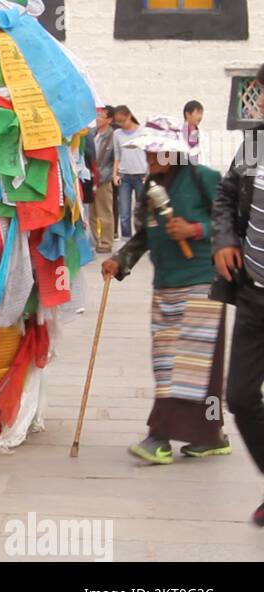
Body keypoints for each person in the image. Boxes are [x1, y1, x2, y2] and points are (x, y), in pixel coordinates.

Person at [102, 117, 226, 466]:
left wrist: (195, 229)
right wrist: (120, 259)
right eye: (149, 154)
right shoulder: (150, 189)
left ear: (175, 152)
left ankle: (160, 436)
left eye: (157, 154)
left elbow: (232, 222)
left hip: (203, 281)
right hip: (166, 285)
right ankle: (211, 434)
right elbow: (143, 236)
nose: (151, 160)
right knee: (168, 361)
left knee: (191, 364)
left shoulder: (204, 180)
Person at [212, 63, 264, 528]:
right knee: (241, 396)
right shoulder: (254, 145)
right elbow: (226, 196)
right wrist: (225, 239)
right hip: (254, 295)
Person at [113, 105, 147, 240]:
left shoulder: (143, 132)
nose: (121, 124)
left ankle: (142, 239)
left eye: (122, 121)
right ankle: (126, 240)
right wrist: (115, 174)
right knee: (124, 212)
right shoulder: (117, 134)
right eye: (118, 122)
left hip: (141, 175)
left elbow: (149, 153)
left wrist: (148, 172)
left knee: (141, 211)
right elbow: (117, 155)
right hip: (124, 176)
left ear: (129, 116)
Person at [90, 105, 116, 253]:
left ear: (110, 120)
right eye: (97, 115)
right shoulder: (92, 133)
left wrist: (106, 175)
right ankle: (93, 241)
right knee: (91, 213)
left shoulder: (113, 137)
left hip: (103, 180)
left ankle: (106, 243)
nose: (98, 118)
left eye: (101, 116)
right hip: (90, 179)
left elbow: (116, 160)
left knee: (105, 212)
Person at [183, 100, 204, 164]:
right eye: (197, 113)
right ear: (188, 114)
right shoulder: (180, 133)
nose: (200, 117)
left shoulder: (199, 134)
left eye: (201, 113)